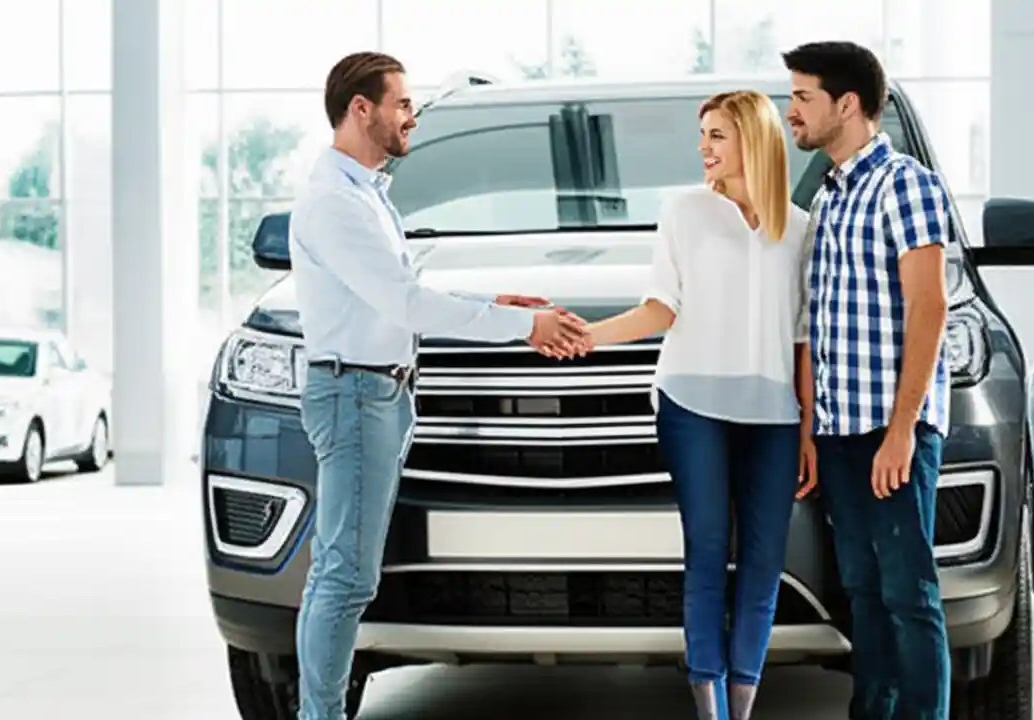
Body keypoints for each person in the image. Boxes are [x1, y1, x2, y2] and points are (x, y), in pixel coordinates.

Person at [287, 51, 588, 720]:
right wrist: (522, 326)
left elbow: (403, 294)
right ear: (359, 109)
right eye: (400, 103)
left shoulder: (365, 193)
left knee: (344, 571)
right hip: (354, 397)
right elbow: (407, 305)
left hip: (381, 395)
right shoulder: (335, 203)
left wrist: (498, 300)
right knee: (344, 575)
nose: (410, 115)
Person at [580, 90, 817, 720]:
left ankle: (744, 706)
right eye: (703, 134)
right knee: (707, 550)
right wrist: (587, 336)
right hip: (692, 405)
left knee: (764, 561)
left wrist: (808, 430)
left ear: (753, 140)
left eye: (717, 135)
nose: (703, 147)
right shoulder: (683, 211)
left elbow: (801, 338)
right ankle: (709, 708)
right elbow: (662, 307)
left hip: (773, 415)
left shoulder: (799, 228)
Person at [782, 41, 953, 719]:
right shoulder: (827, 196)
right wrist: (813, 431)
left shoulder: (903, 185)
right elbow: (821, 325)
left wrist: (903, 431)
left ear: (845, 104)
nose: (791, 110)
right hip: (841, 433)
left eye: (803, 96)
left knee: (910, 593)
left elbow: (929, 306)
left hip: (891, 432)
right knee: (863, 587)